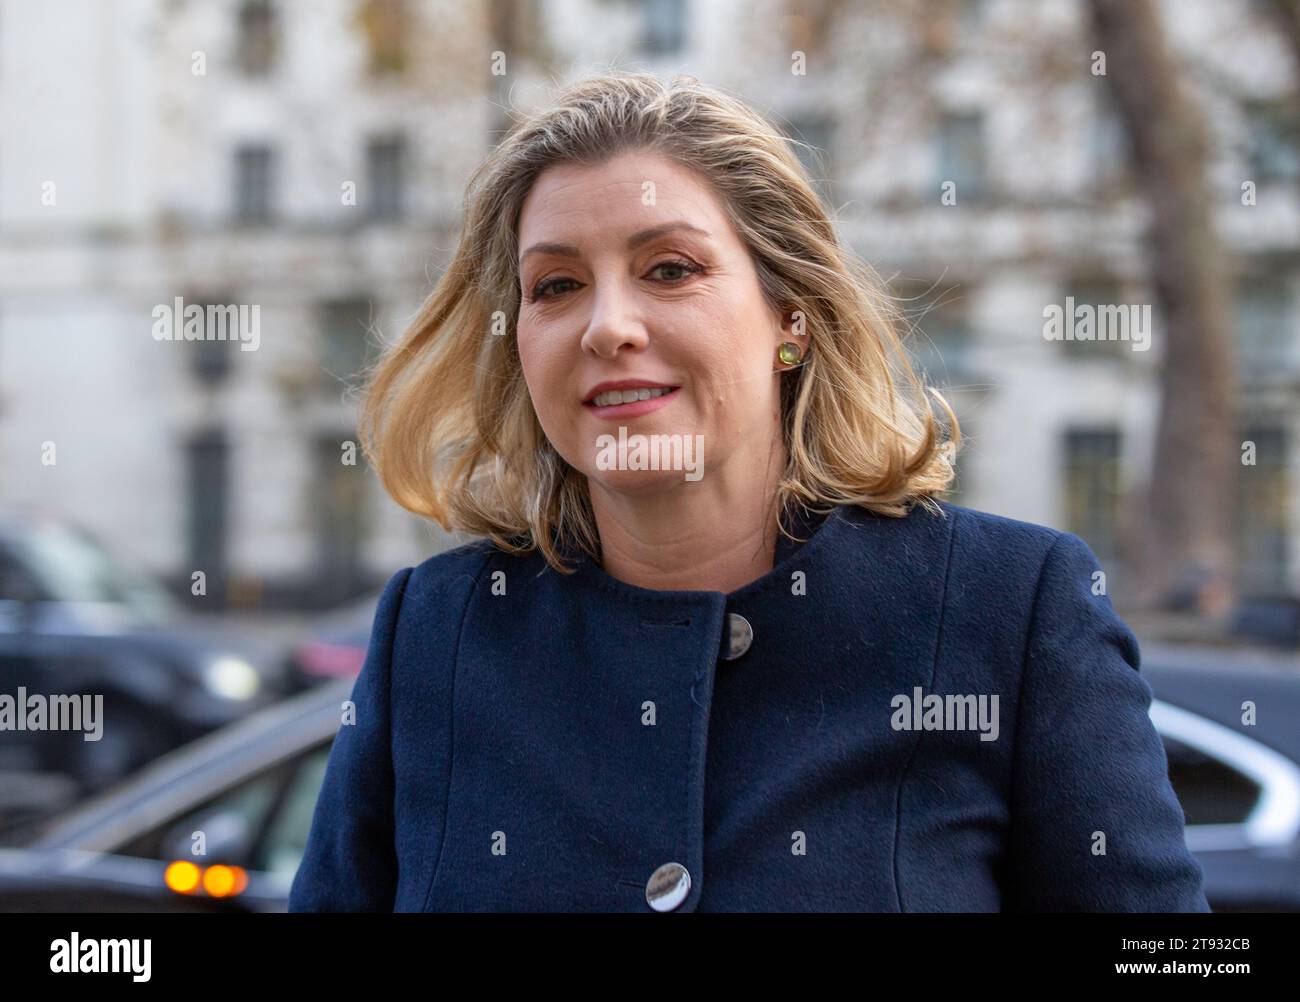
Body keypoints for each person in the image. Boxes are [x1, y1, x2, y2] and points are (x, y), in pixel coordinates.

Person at [288, 71, 1210, 913]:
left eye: (670, 269)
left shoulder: (1008, 610)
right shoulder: (437, 630)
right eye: (557, 285)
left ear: (790, 318)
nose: (608, 326)